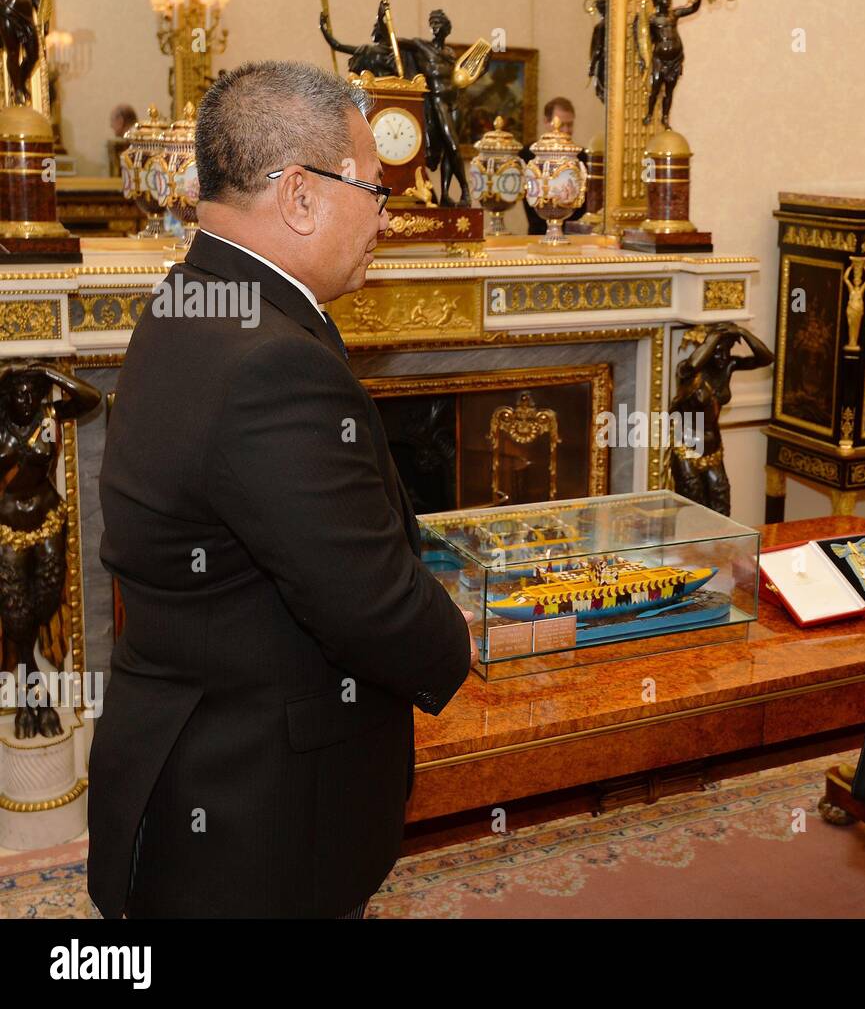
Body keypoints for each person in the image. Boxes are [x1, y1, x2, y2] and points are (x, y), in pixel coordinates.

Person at [88, 60, 471, 920]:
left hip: (178, 761)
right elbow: (365, 602)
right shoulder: (271, 361)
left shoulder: (188, 298)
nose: (386, 214)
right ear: (299, 195)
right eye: (375, 188)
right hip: (251, 820)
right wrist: (465, 641)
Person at [523, 96, 581, 235]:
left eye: (570, 124)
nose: (566, 130)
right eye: (562, 124)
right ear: (546, 122)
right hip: (538, 233)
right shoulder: (528, 155)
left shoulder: (582, 157)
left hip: (574, 236)